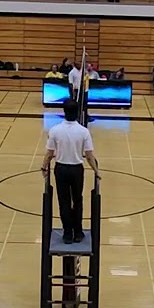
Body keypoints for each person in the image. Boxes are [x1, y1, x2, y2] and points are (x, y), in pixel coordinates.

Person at [42, 99, 100, 244]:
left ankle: (67, 233)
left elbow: (49, 153)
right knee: (77, 200)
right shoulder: (84, 131)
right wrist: (96, 171)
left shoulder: (55, 130)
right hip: (76, 170)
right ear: (77, 112)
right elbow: (89, 155)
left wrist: (44, 167)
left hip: (61, 169)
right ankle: (78, 232)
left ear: (64, 112)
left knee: (64, 202)